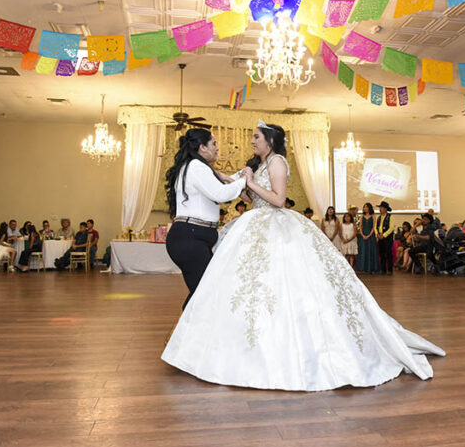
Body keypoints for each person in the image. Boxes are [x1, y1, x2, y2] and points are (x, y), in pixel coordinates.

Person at [162, 120, 444, 391]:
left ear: (270, 141)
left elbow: (278, 199)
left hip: (273, 224)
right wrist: (241, 181)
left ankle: (210, 344)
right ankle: (231, 343)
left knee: (276, 286)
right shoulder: (258, 164)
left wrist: (246, 182)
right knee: (244, 289)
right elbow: (251, 196)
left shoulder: (277, 162)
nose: (251, 141)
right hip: (252, 225)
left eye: (256, 137)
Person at [163, 128, 247, 309]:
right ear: (202, 147)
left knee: (203, 292)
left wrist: (237, 177)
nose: (217, 148)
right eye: (214, 144)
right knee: (204, 293)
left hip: (191, 237)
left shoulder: (196, 167)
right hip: (190, 238)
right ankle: (183, 334)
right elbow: (221, 194)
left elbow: (218, 186)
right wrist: (245, 181)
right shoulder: (196, 166)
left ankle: (187, 334)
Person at [356, 203, 379, 274]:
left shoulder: (373, 216)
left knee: (371, 251)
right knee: (363, 251)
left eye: (366, 207)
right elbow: (360, 226)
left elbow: (374, 226)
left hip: (371, 236)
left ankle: (371, 268)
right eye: (364, 207)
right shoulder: (362, 216)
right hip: (363, 235)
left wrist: (369, 235)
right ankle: (363, 267)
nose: (365, 208)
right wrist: (362, 234)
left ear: (369, 208)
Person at [374, 201, 395, 274]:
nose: (380, 209)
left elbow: (391, 228)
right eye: (380, 208)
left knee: (388, 253)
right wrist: (377, 234)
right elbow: (376, 227)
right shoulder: (379, 217)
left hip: (387, 238)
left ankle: (390, 269)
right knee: (381, 254)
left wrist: (384, 235)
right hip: (380, 237)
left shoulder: (390, 217)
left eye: (382, 208)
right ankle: (383, 269)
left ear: (386, 209)